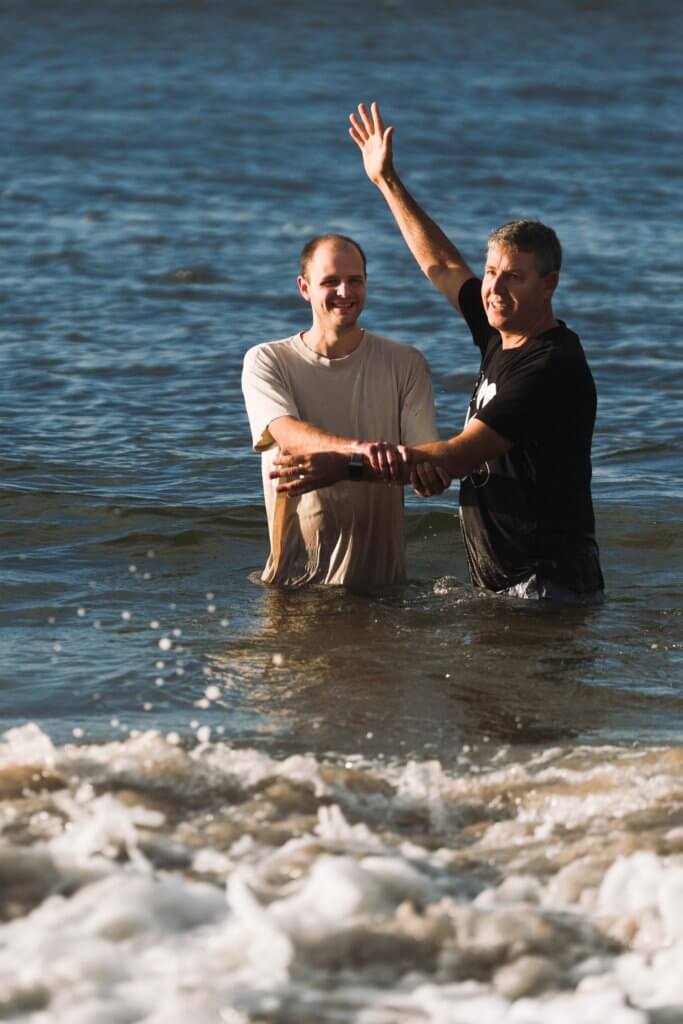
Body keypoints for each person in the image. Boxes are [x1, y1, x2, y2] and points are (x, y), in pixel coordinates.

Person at [340, 101, 604, 603]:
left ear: (549, 285)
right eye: (491, 273)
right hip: (511, 588)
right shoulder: (499, 331)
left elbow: (460, 454)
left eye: (514, 277)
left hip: (548, 588)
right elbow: (440, 263)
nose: (494, 289)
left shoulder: (551, 363)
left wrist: (340, 465)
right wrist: (386, 181)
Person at [241, 233, 440, 588]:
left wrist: (353, 466)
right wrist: (361, 451)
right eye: (330, 282)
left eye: (355, 281)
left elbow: (421, 465)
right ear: (304, 288)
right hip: (294, 585)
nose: (345, 292)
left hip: (384, 587)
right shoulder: (268, 360)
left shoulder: (406, 363)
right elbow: (287, 432)